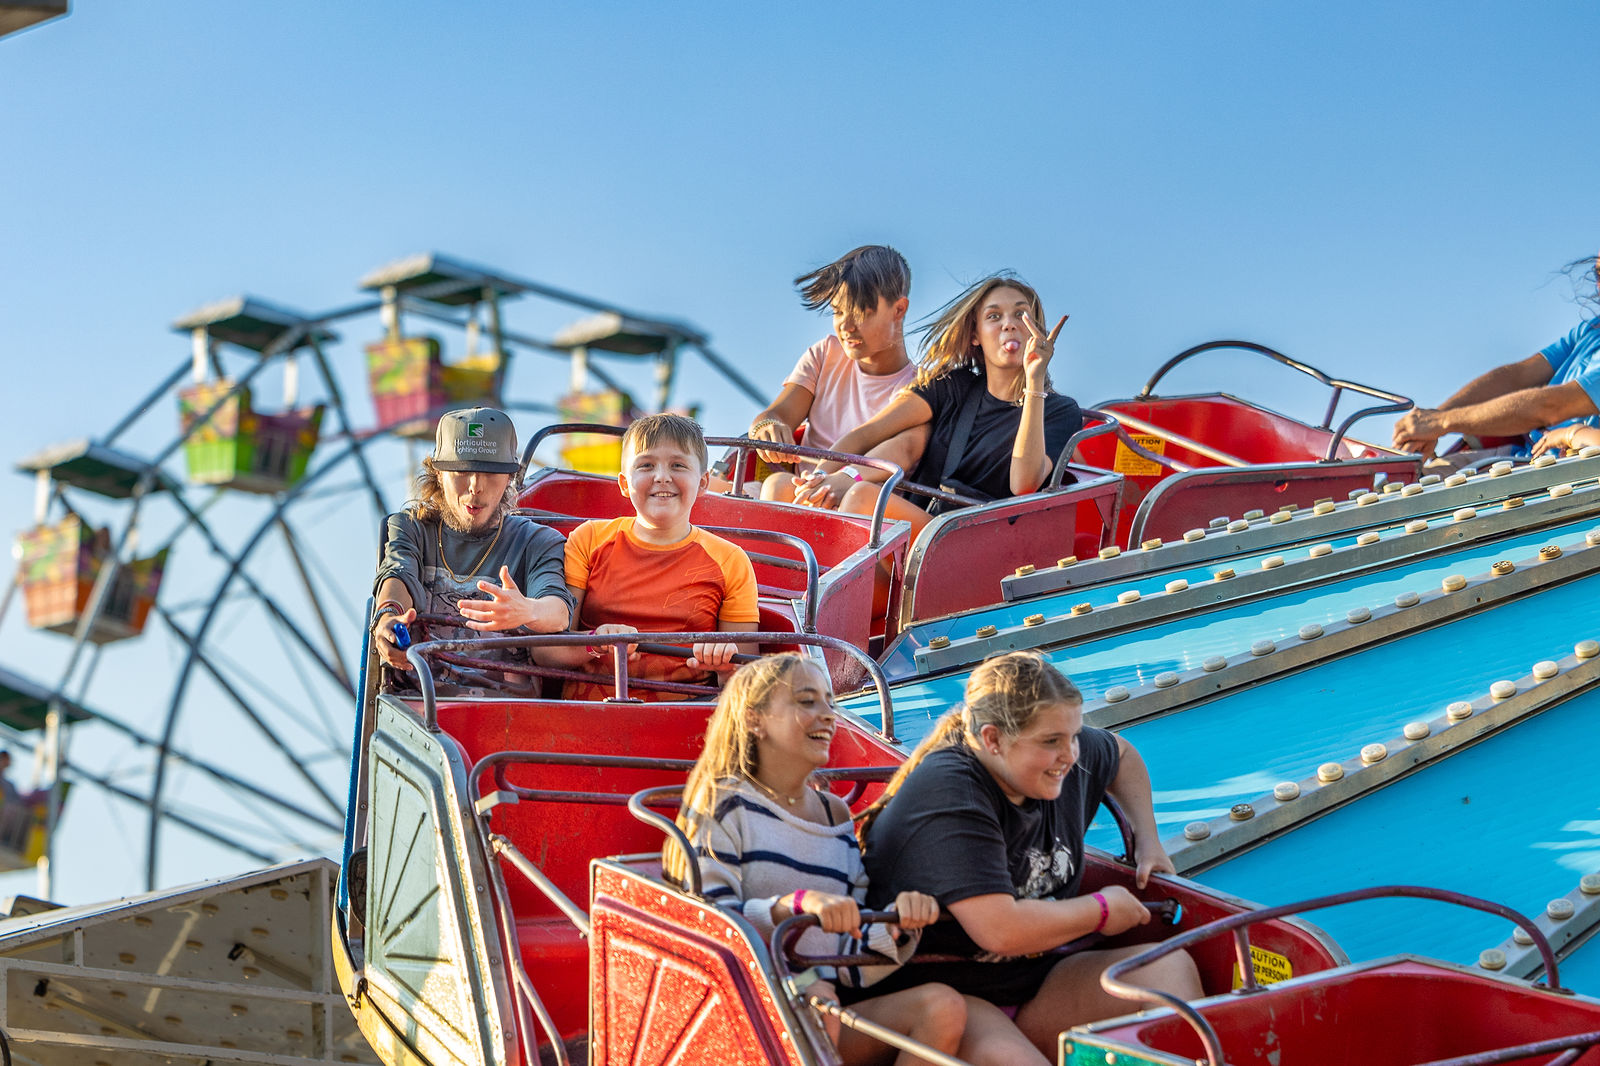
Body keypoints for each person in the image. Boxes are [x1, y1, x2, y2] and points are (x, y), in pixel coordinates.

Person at [859, 651, 1201, 1063]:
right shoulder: (952, 791)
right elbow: (1000, 930)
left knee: (1170, 972)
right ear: (992, 740)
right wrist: (1103, 910)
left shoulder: (1063, 758)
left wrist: (1149, 840)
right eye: (1051, 742)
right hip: (949, 994)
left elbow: (1121, 756)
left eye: (1072, 736)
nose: (1070, 754)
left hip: (1037, 980)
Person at [671, 654, 983, 1066]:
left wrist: (899, 923)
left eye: (830, 704)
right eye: (806, 702)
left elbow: (848, 961)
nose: (827, 717)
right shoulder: (725, 805)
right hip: (743, 1008)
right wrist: (796, 907)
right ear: (754, 720)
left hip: (820, 1000)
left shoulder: (835, 814)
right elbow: (709, 926)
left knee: (941, 1006)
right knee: (817, 1011)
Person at [797, 274, 1084, 541]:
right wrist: (823, 479)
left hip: (984, 541)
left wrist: (1034, 382)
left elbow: (1024, 484)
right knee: (786, 488)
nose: (1009, 324)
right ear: (976, 335)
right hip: (928, 530)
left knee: (862, 498)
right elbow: (872, 435)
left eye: (1021, 315)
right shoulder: (952, 387)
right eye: (994, 316)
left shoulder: (1060, 410)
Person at [544, 413, 759, 701]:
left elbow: (748, 680)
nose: (662, 476)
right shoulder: (589, 539)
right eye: (646, 465)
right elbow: (546, 652)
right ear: (623, 483)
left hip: (687, 721)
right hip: (587, 717)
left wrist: (724, 667)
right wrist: (595, 642)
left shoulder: (730, 560)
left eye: (678, 465)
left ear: (704, 481)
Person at [371, 407, 574, 691]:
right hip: (419, 705)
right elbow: (397, 575)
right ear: (438, 474)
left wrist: (526, 610)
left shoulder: (538, 541)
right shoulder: (411, 528)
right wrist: (389, 617)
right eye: (461, 471)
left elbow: (559, 611)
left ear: (509, 479)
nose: (475, 487)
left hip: (508, 711)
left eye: (490, 473)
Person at [745, 246, 925, 502]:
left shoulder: (919, 387)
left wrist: (844, 479)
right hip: (798, 493)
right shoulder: (825, 354)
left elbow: (904, 451)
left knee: (779, 486)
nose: (846, 326)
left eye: (861, 312)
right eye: (838, 312)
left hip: (859, 507)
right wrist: (767, 426)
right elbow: (778, 413)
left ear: (899, 310)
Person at [1392, 252, 1600, 467]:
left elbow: (1551, 406)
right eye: (1598, 273)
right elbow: (1517, 376)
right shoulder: (1591, 330)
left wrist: (1444, 423)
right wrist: (1434, 420)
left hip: (1568, 470)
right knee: (1423, 478)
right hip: (1530, 455)